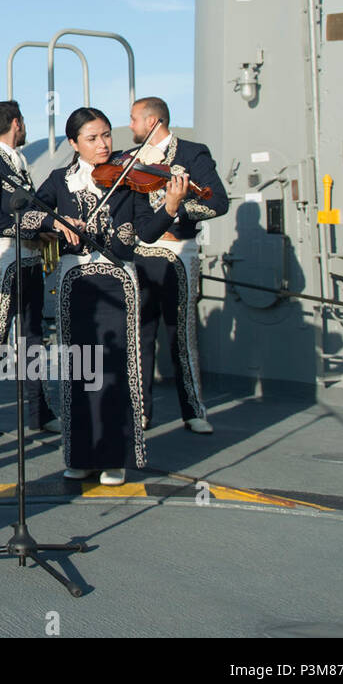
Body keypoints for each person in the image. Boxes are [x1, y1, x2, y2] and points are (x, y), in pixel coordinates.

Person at [17, 107, 186, 486]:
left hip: (117, 283)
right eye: (92, 138)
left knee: (114, 371)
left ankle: (114, 456)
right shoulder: (60, 181)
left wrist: (171, 207)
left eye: (107, 135)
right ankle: (81, 454)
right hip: (75, 282)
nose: (103, 144)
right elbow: (27, 217)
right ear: (74, 144)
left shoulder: (128, 180)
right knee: (79, 370)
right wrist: (56, 221)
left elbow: (146, 233)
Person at [128, 97, 229, 435]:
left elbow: (218, 202)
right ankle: (140, 411)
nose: (130, 127)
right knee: (141, 335)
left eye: (134, 120)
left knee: (181, 334)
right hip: (141, 254)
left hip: (179, 251)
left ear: (152, 121)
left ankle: (194, 410)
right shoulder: (132, 161)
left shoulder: (192, 153)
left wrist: (178, 210)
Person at [0, 100, 58, 440]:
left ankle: (39, 411)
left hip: (30, 260)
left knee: (32, 338)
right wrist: (32, 229)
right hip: (3, 260)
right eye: (23, 124)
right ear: (17, 123)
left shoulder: (18, 163)